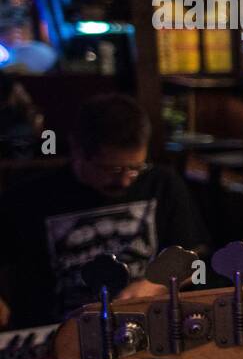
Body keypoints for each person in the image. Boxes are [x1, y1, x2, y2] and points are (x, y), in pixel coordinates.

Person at [0, 93, 209, 328]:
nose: (126, 181)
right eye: (113, 169)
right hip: (60, 334)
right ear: (78, 150)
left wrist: (154, 284)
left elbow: (192, 260)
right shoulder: (30, 198)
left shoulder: (162, 183)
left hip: (146, 329)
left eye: (135, 168)